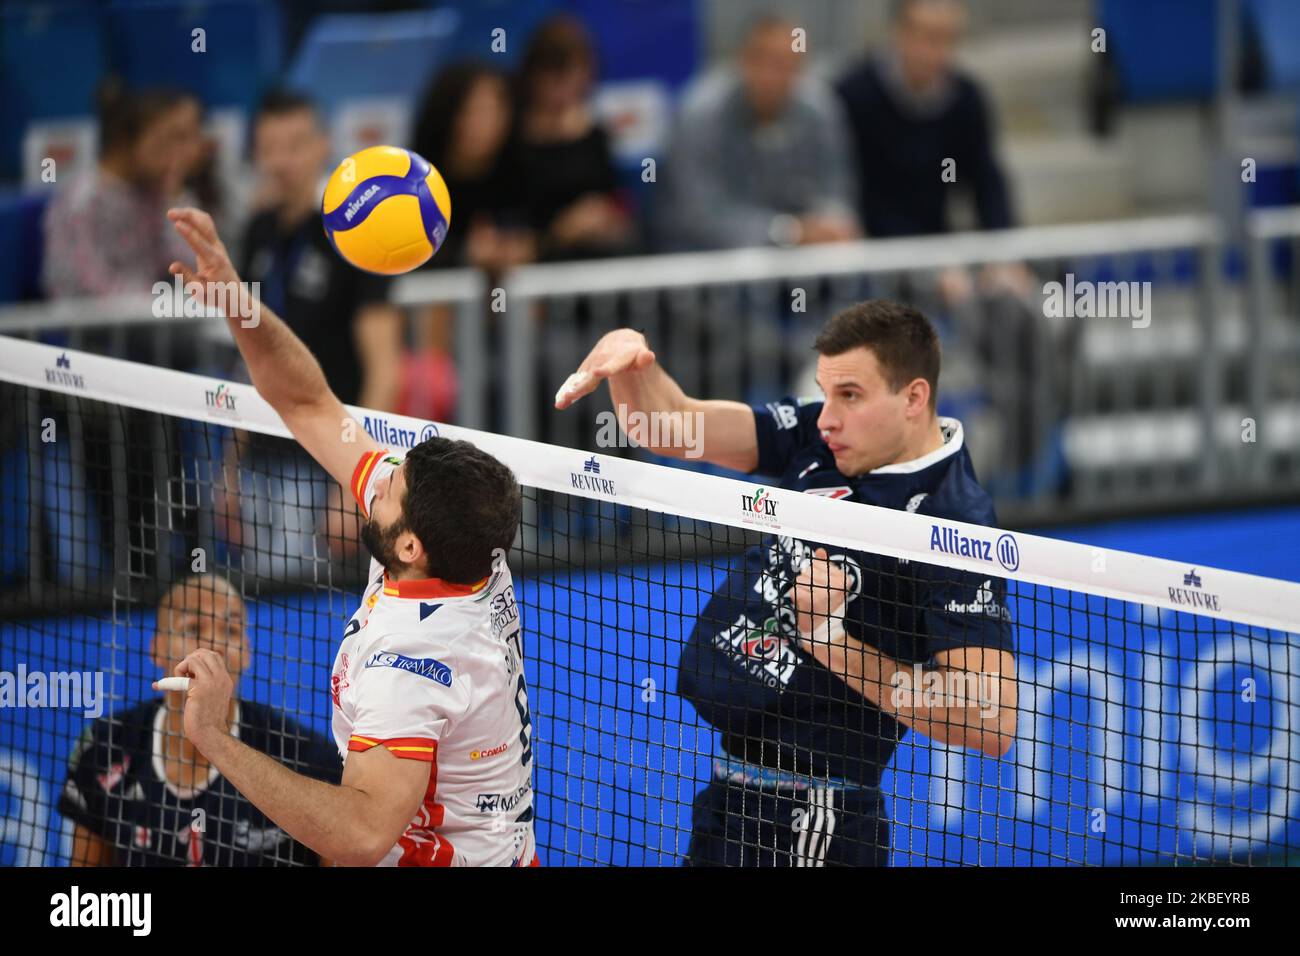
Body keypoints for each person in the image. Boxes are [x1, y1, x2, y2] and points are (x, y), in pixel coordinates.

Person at [555, 301, 1017, 866]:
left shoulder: (955, 522)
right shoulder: (820, 437)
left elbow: (990, 719)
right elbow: (667, 426)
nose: (827, 418)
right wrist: (631, 362)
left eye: (850, 395)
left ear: (914, 397)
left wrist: (830, 639)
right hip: (731, 792)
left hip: (815, 819)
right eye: (826, 393)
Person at [163, 206, 537, 867]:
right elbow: (307, 403)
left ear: (411, 547)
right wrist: (237, 302)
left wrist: (214, 737)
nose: (375, 482)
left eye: (392, 489)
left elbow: (360, 836)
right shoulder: (466, 544)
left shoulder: (411, 664)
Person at [58, 574, 339, 866]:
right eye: (193, 628)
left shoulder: (308, 760)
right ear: (156, 648)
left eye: (230, 630)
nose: (214, 644)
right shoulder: (106, 747)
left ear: (246, 653)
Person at [670, 14, 860, 250]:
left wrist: (832, 224)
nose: (773, 76)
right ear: (742, 60)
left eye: (787, 65)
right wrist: (787, 231)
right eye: (764, 61)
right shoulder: (701, 115)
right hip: (709, 257)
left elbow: (837, 190)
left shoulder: (819, 111)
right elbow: (700, 214)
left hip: (803, 257)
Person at [42, 80, 203, 300]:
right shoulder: (82, 202)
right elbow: (87, 287)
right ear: (127, 141)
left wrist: (173, 197)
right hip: (97, 318)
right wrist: (157, 303)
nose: (186, 153)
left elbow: (196, 271)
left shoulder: (158, 193)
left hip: (156, 313)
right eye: (169, 140)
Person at [508, 15, 634, 261]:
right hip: (535, 264)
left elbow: (616, 201)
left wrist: (606, 217)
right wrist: (561, 231)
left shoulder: (594, 134)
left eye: (579, 75)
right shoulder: (512, 139)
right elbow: (507, 222)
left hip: (596, 259)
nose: (568, 88)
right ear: (534, 74)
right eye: (557, 76)